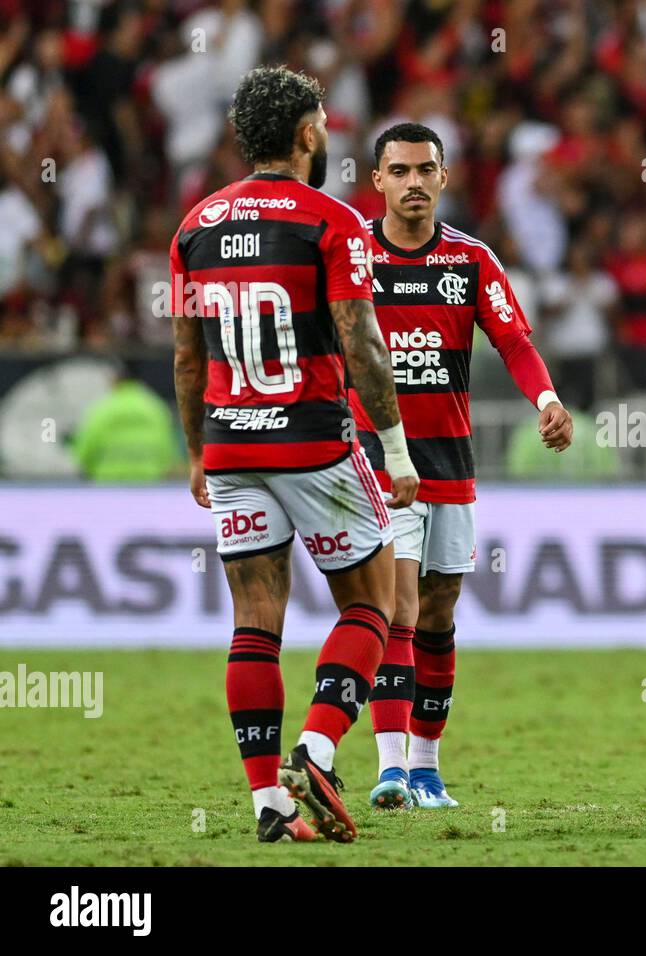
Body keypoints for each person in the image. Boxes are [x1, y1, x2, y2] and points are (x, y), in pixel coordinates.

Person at [170, 67, 419, 844]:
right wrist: (397, 449)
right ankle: (313, 750)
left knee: (254, 624)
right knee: (374, 604)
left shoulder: (193, 227)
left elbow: (185, 357)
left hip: (231, 443)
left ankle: (265, 805)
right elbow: (363, 343)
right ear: (307, 133)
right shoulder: (330, 221)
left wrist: (198, 454)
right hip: (313, 443)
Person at [354, 122, 572, 811]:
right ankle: (389, 769)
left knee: (440, 618)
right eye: (400, 170)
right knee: (399, 610)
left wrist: (546, 397)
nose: (413, 182)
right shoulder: (353, 256)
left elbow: (512, 338)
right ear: (378, 179)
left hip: (451, 461)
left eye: (426, 170)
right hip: (382, 462)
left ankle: (425, 767)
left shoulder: (471, 261)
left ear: (444, 178)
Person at [71, 369, 182, 482]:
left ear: (114, 381)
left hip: (107, 485)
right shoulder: (156, 408)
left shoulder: (102, 409)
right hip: (148, 486)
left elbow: (83, 454)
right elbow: (169, 454)